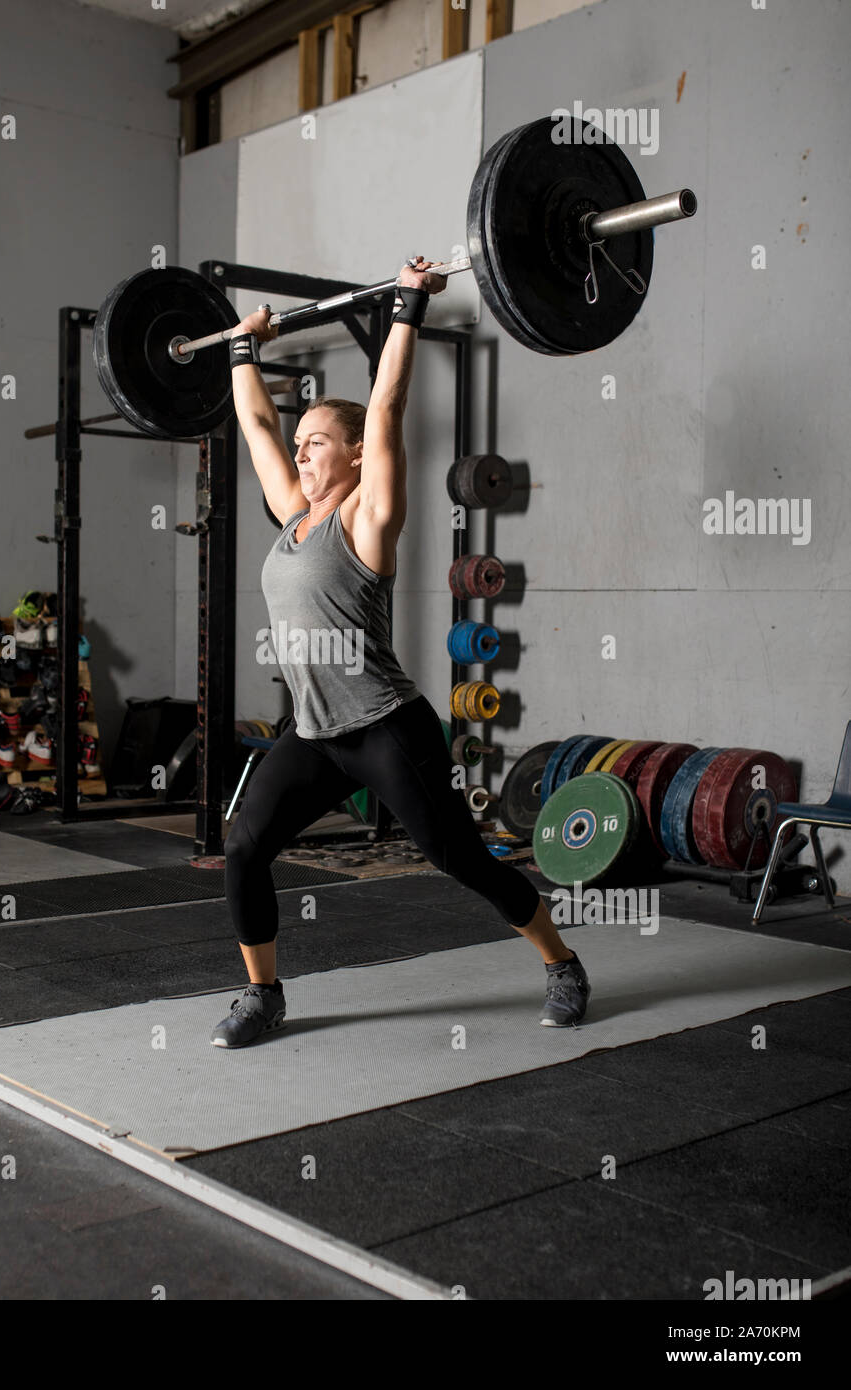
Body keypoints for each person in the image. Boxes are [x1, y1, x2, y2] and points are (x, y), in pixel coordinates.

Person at [213, 256, 589, 1047]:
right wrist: (243, 351)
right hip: (314, 735)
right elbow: (254, 426)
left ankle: (560, 963)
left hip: (386, 727)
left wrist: (407, 306)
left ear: (353, 457)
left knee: (459, 857)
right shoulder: (293, 515)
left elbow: (386, 406)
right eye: (303, 441)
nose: (304, 451)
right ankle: (263, 994)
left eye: (319, 442)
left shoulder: (367, 520)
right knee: (243, 843)